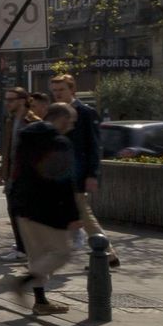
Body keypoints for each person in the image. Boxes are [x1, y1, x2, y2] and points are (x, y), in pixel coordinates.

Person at [6, 102, 79, 316]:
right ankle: (24, 281)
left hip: (23, 205)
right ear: (62, 119)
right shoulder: (59, 142)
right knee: (62, 253)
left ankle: (41, 301)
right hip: (49, 208)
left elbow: (17, 170)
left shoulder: (25, 137)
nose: (71, 126)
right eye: (71, 121)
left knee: (37, 255)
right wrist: (73, 214)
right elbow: (64, 181)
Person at [50, 73, 120, 269]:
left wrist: (92, 174)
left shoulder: (85, 113)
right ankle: (107, 253)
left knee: (84, 213)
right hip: (59, 174)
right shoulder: (54, 112)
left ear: (72, 90)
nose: (57, 94)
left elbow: (94, 146)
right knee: (77, 214)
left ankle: (106, 253)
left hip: (77, 174)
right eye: (54, 90)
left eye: (61, 90)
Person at [0, 87, 37, 263]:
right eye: (6, 100)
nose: (7, 103)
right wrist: (2, 172)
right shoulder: (11, 120)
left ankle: (26, 248)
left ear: (22, 100)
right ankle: (21, 248)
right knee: (13, 211)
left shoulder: (32, 121)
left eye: (11, 100)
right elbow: (7, 150)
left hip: (26, 176)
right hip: (12, 174)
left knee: (23, 212)